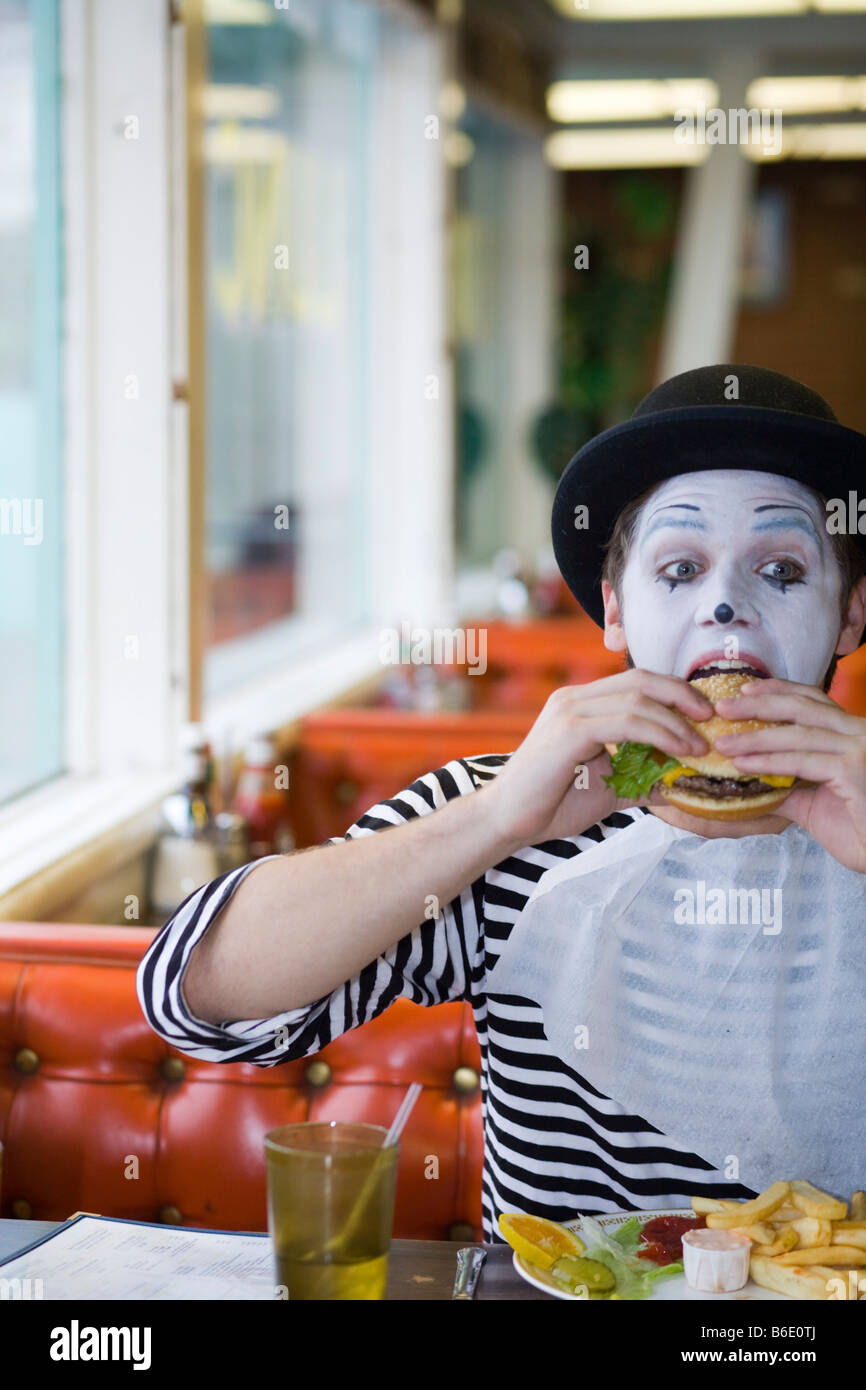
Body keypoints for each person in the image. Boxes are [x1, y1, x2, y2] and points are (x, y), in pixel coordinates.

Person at [137, 363, 866, 1244]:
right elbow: (198, 1005)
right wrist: (490, 820)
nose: (725, 605)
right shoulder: (511, 814)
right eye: (679, 568)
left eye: (782, 569)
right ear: (616, 610)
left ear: (850, 615)